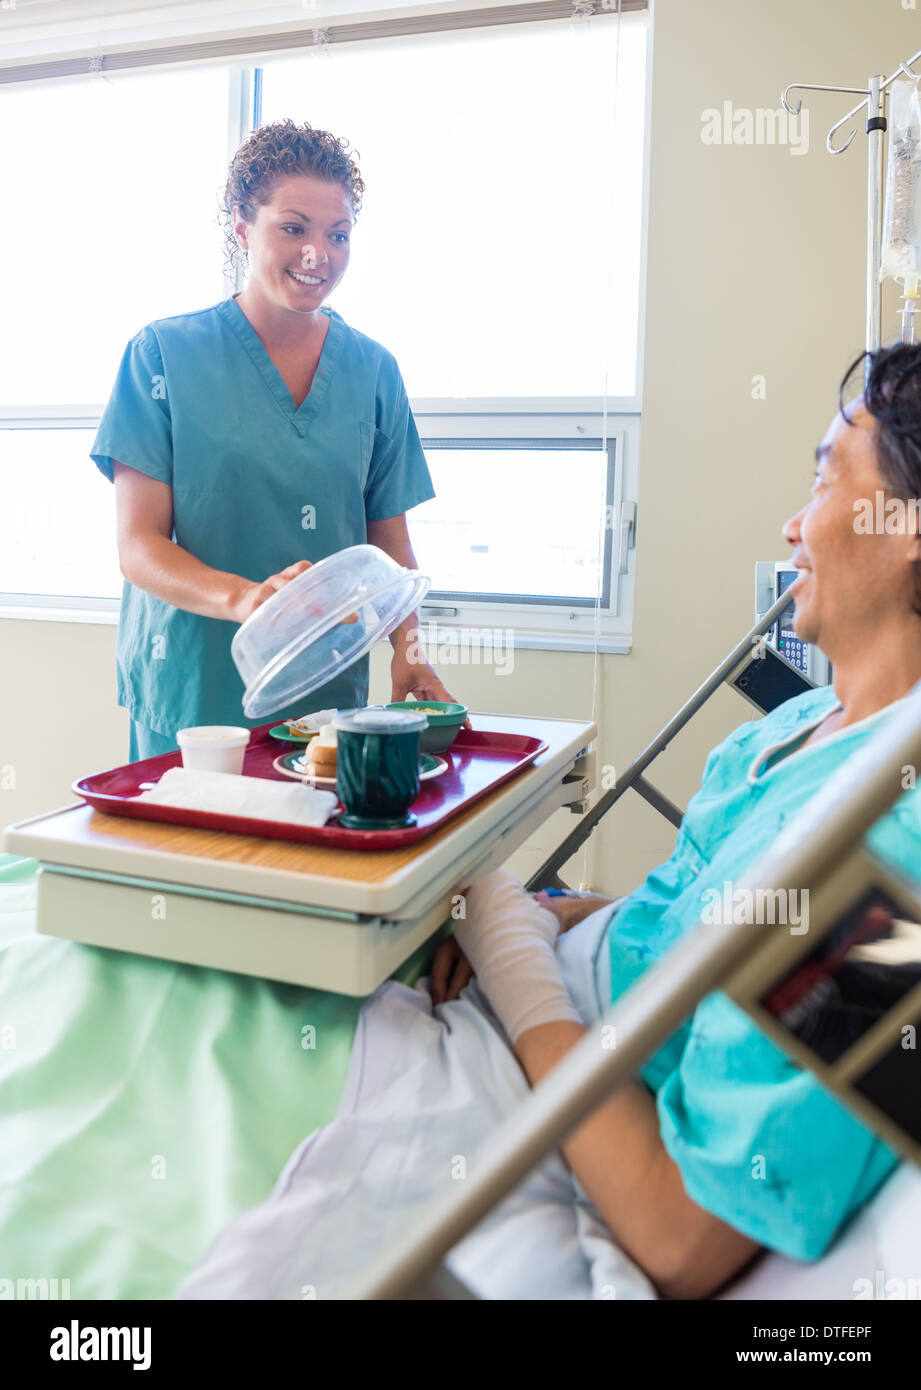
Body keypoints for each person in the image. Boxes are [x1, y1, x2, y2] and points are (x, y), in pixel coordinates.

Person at [178, 342, 921, 1301]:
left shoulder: (881, 859)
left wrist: (522, 975)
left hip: (534, 1058)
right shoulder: (790, 731)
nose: (791, 523)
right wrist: (555, 913)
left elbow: (681, 1237)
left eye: (824, 476)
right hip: (536, 982)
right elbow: (715, 926)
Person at [89, 118, 459, 761]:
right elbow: (138, 546)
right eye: (293, 228)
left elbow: (388, 539)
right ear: (242, 228)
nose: (319, 253)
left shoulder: (373, 371)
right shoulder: (162, 356)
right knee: (193, 858)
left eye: (338, 234)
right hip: (193, 692)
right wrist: (245, 598)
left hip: (324, 695)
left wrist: (408, 653)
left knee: (317, 856)